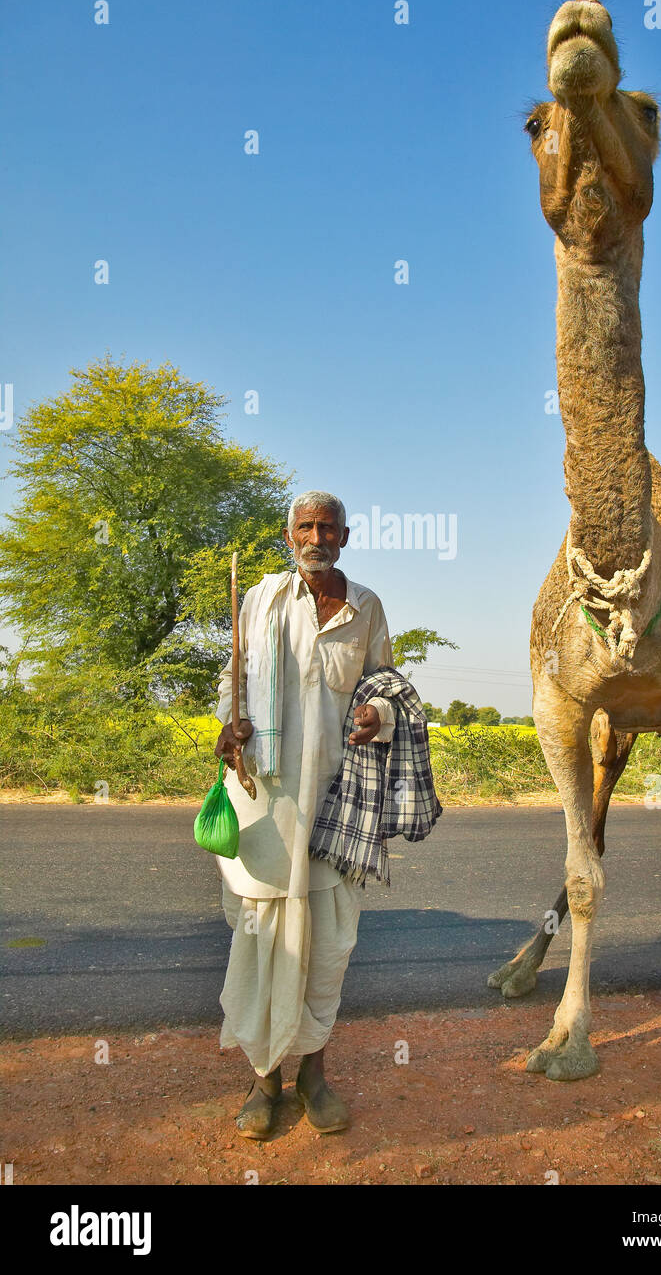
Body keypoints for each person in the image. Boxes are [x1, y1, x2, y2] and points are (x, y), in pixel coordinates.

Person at [214, 489, 395, 1140]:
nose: (315, 536)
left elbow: (387, 686)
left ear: (344, 537)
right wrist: (227, 729)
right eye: (304, 527)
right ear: (289, 536)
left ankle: (313, 1077)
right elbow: (231, 678)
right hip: (265, 807)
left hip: (335, 809)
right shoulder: (259, 600)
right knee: (261, 944)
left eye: (328, 527)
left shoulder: (364, 609)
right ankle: (264, 1082)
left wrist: (380, 716)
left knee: (327, 948)